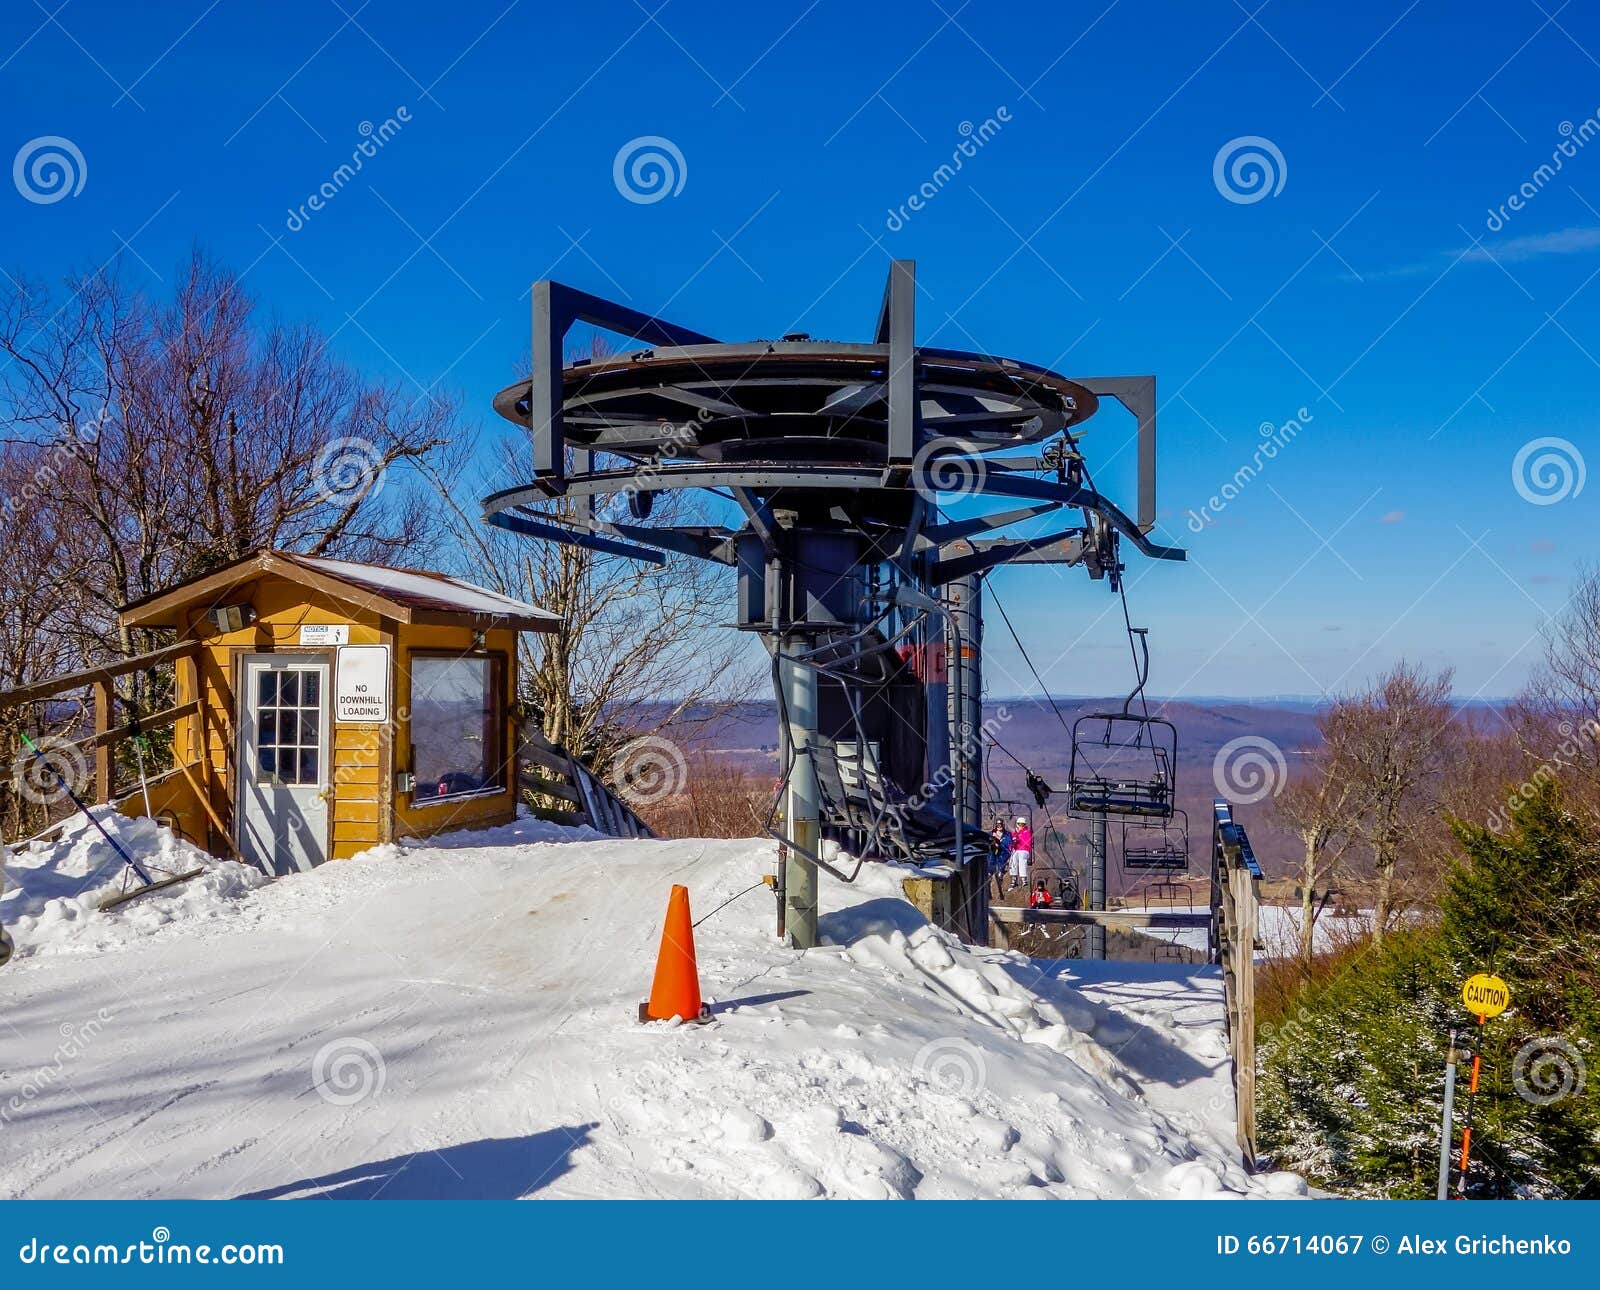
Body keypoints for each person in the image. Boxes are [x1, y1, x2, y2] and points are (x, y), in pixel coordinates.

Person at [989, 821, 1012, 900]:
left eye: (1001, 825)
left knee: (1000, 869)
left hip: (1002, 854)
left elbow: (1007, 844)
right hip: (993, 854)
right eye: (998, 825)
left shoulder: (1007, 834)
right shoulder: (991, 834)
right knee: (990, 868)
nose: (999, 827)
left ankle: (1000, 874)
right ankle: (989, 891)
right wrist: (993, 842)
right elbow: (988, 843)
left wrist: (999, 841)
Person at [1010, 815, 1033, 890]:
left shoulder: (1027, 832)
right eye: (1019, 824)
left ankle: (1023, 878)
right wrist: (1011, 846)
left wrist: (1018, 837)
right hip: (1016, 850)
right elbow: (1011, 843)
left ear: (1024, 825)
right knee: (1013, 858)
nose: (1020, 826)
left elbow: (1027, 842)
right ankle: (1014, 878)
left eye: (1022, 824)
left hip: (1024, 850)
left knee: (1021, 858)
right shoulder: (1014, 833)